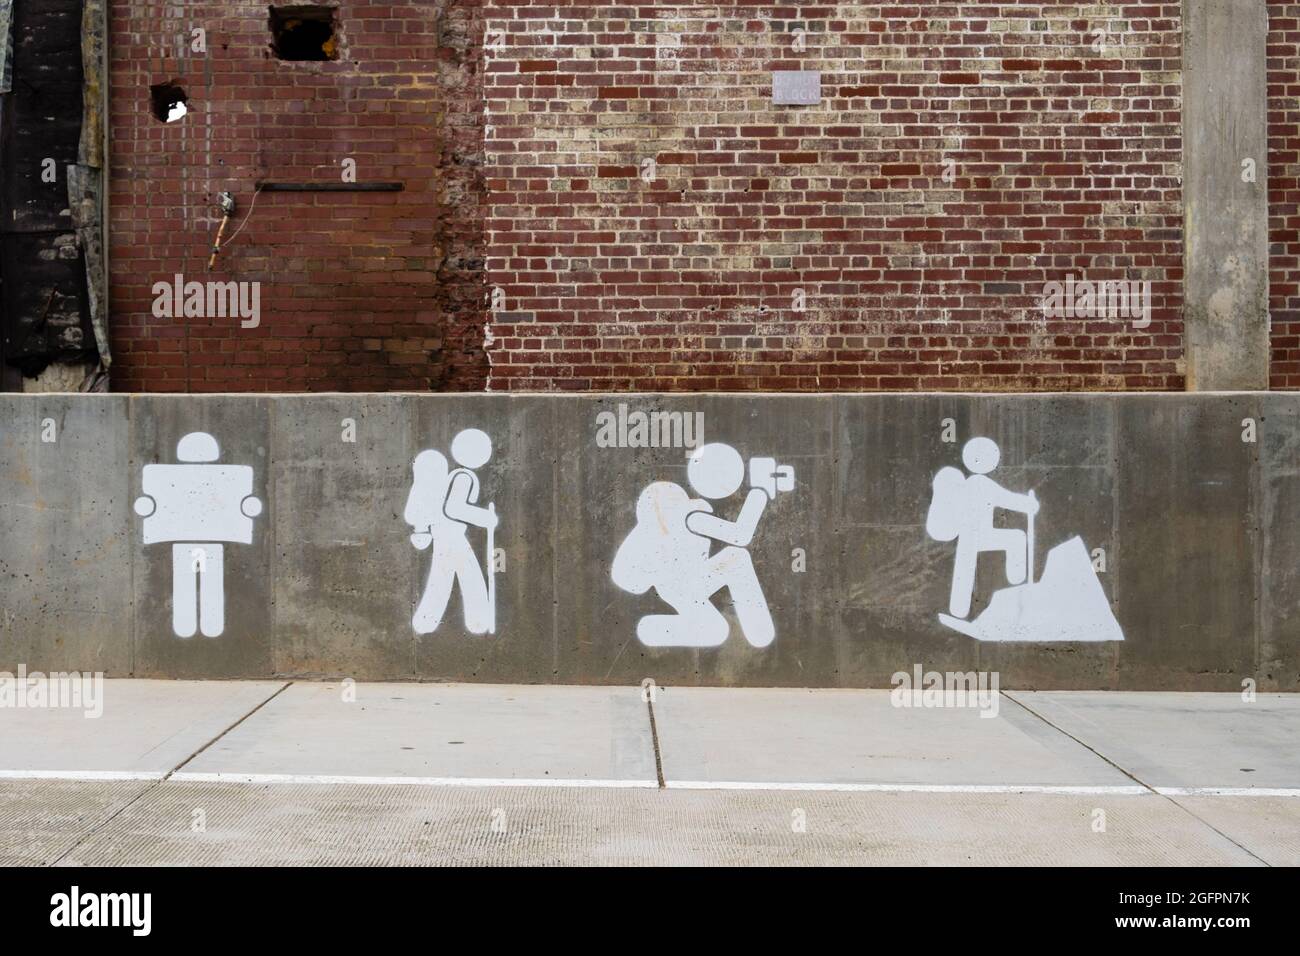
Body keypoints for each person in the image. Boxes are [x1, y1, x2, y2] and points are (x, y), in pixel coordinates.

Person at [612, 442, 777, 648]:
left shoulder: (655, 528)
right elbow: (740, 535)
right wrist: (759, 493)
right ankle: (760, 631)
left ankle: (648, 628)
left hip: (674, 589)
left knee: (716, 630)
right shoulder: (690, 516)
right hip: (691, 582)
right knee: (737, 558)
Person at [932, 437, 1039, 619]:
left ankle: (958, 609)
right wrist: (1030, 504)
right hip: (984, 535)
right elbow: (1010, 500)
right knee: (1017, 538)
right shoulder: (984, 485)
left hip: (968, 537)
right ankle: (1017, 578)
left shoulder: (964, 485)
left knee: (963, 571)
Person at [406, 428, 497, 635]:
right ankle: (478, 621)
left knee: (443, 577)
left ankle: (427, 621)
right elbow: (454, 508)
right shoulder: (464, 476)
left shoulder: (457, 474)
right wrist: (486, 519)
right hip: (451, 534)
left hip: (445, 532)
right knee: (468, 575)